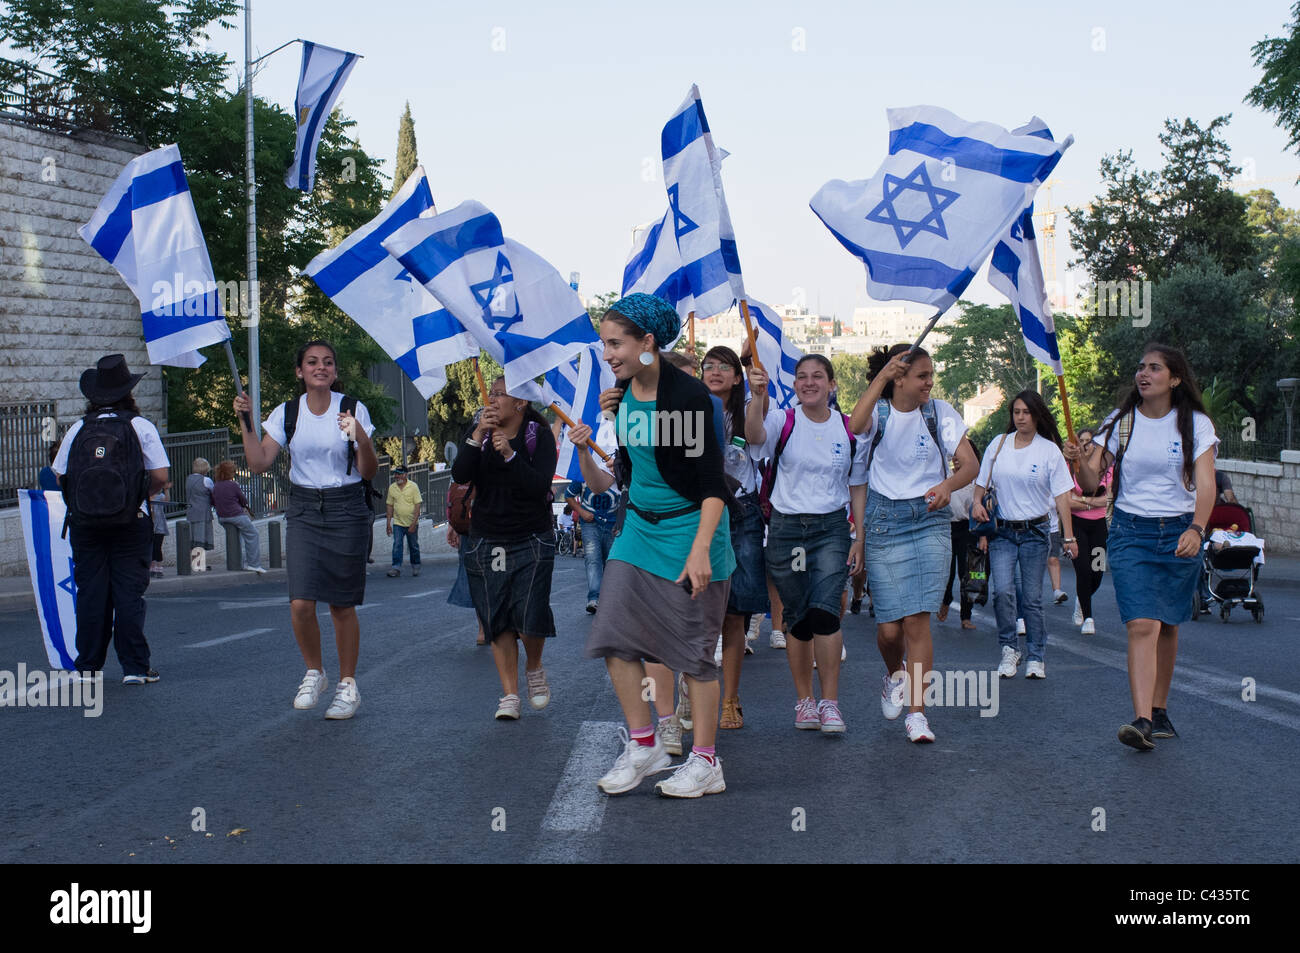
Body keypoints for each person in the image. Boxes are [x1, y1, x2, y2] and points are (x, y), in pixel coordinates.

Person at [570, 292, 734, 798]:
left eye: (616, 344)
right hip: (638, 529)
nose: (609, 355)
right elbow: (630, 467)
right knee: (613, 636)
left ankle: (707, 762)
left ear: (648, 342)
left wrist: (701, 548)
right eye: (604, 345)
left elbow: (713, 484)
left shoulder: (686, 399)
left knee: (694, 656)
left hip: (692, 529)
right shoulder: (622, 389)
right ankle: (646, 745)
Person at [1067, 344, 1217, 751]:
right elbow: (1093, 483)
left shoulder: (1196, 425)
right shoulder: (1120, 422)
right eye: (1140, 367)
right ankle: (1142, 719)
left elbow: (1207, 484)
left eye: (1154, 368)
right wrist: (1079, 459)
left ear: (1175, 379)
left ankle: (1160, 708)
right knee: (1142, 623)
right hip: (1131, 531)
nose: (1143, 374)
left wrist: (1198, 529)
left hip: (1180, 530)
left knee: (1168, 622)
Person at [234, 340, 377, 720]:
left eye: (328, 362)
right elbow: (259, 461)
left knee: (341, 604)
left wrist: (360, 435)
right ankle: (315, 670)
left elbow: (369, 471)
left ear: (334, 371)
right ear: (300, 371)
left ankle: (348, 685)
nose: (320, 367)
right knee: (300, 602)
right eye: (312, 362)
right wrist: (246, 422)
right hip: (303, 509)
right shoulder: (288, 412)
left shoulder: (352, 408)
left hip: (346, 507)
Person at [849, 344, 977, 743]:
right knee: (889, 630)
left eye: (930, 374)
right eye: (922, 375)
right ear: (899, 377)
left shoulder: (941, 413)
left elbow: (970, 465)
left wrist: (946, 486)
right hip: (885, 522)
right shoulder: (880, 414)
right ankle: (894, 676)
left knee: (917, 619)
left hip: (929, 521)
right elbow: (854, 425)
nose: (930, 382)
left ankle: (917, 714)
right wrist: (881, 378)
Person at [746, 354, 865, 733]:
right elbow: (754, 437)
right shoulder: (783, 419)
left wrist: (858, 535)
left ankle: (830, 703)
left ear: (832, 385)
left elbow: (857, 485)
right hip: (788, 531)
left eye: (818, 377)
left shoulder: (848, 430)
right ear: (794, 384)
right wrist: (756, 397)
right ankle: (805, 702)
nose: (809, 382)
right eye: (802, 377)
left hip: (831, 528)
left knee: (825, 612)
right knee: (797, 617)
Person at [53, 354, 169, 684]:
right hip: (131, 520)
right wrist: (138, 496)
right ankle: (134, 667)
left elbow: (59, 475)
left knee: (91, 593)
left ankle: (88, 666)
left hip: (85, 524)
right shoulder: (139, 426)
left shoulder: (79, 428)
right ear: (127, 391)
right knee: (128, 594)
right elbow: (160, 474)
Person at [451, 376, 558, 721]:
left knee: (529, 617)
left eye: (500, 395)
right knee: (498, 619)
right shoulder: (479, 434)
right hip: (488, 538)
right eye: (492, 394)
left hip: (531, 537)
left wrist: (510, 455)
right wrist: (478, 435)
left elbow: (538, 485)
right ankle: (509, 693)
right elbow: (461, 473)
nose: (493, 400)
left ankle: (535, 667)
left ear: (521, 402)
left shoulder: (536, 437)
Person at [971, 391, 1078, 680]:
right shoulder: (999, 444)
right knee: (1002, 592)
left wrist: (1069, 537)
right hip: (1002, 532)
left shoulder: (1049, 450)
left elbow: (1062, 497)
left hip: (1035, 531)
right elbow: (981, 484)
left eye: (1026, 412)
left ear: (1037, 415)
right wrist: (978, 503)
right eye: (1016, 412)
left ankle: (1036, 655)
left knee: (1031, 597)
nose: (1020, 417)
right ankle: (1009, 649)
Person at [702, 346, 768, 730]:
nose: (714, 371)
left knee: (735, 610)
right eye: (707, 366)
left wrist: (754, 375)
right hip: (697, 515)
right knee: (695, 607)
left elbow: (760, 409)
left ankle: (730, 699)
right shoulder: (689, 410)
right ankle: (690, 697)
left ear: (736, 376)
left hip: (740, 513)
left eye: (723, 366)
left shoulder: (746, 411)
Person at [1068, 428, 1110, 635]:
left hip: (1099, 525)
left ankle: (1081, 598)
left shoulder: (1107, 468)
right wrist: (1091, 503)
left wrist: (1082, 501)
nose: (1086, 445)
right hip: (1077, 525)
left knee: (1098, 571)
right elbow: (1067, 501)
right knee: (1083, 570)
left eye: (1090, 441)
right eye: (1082, 441)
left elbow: (1108, 499)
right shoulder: (1070, 468)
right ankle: (1088, 617)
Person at [941, 451, 978, 630]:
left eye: (959, 458)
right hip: (946, 528)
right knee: (946, 572)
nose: (956, 462)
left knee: (967, 573)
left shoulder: (974, 482)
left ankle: (966, 615)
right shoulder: (945, 477)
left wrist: (983, 536)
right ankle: (945, 599)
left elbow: (980, 511)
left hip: (967, 529)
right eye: (953, 459)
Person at [212, 460, 267, 574]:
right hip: (236, 515)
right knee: (252, 534)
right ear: (230, 472)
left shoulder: (216, 486)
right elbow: (244, 500)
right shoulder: (233, 485)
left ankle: (238, 563)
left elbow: (213, 502)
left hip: (222, 517)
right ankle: (253, 564)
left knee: (237, 538)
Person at [385, 465, 422, 577]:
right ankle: (396, 568)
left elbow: (417, 505)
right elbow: (390, 506)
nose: (397, 476)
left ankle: (416, 565)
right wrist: (388, 524)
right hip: (398, 523)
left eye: (399, 473)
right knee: (397, 544)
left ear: (406, 475)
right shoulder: (392, 488)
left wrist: (413, 523)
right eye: (395, 473)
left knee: (413, 546)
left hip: (411, 523)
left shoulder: (413, 486)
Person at [185, 457, 215, 560]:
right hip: (203, 512)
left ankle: (193, 562)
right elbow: (213, 493)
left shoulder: (189, 479)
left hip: (191, 512)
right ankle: (197, 564)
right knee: (200, 538)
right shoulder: (206, 480)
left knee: (192, 538)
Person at [148, 482, 170, 578]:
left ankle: (159, 567)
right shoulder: (148, 497)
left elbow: (167, 501)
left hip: (159, 525)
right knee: (151, 547)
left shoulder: (160, 496)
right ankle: (152, 567)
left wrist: (166, 490)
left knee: (157, 547)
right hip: (150, 526)